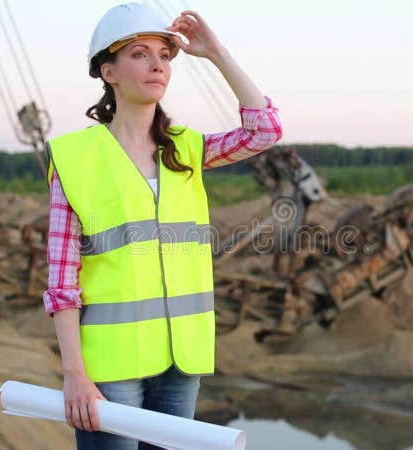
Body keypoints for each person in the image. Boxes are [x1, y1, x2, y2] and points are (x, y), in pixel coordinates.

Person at [43, 3, 282, 449]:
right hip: (110, 369)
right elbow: (62, 282)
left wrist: (216, 52)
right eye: (140, 54)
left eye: (165, 56)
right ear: (109, 72)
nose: (157, 65)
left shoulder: (186, 149)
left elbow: (264, 131)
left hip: (180, 365)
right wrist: (74, 373)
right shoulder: (75, 159)